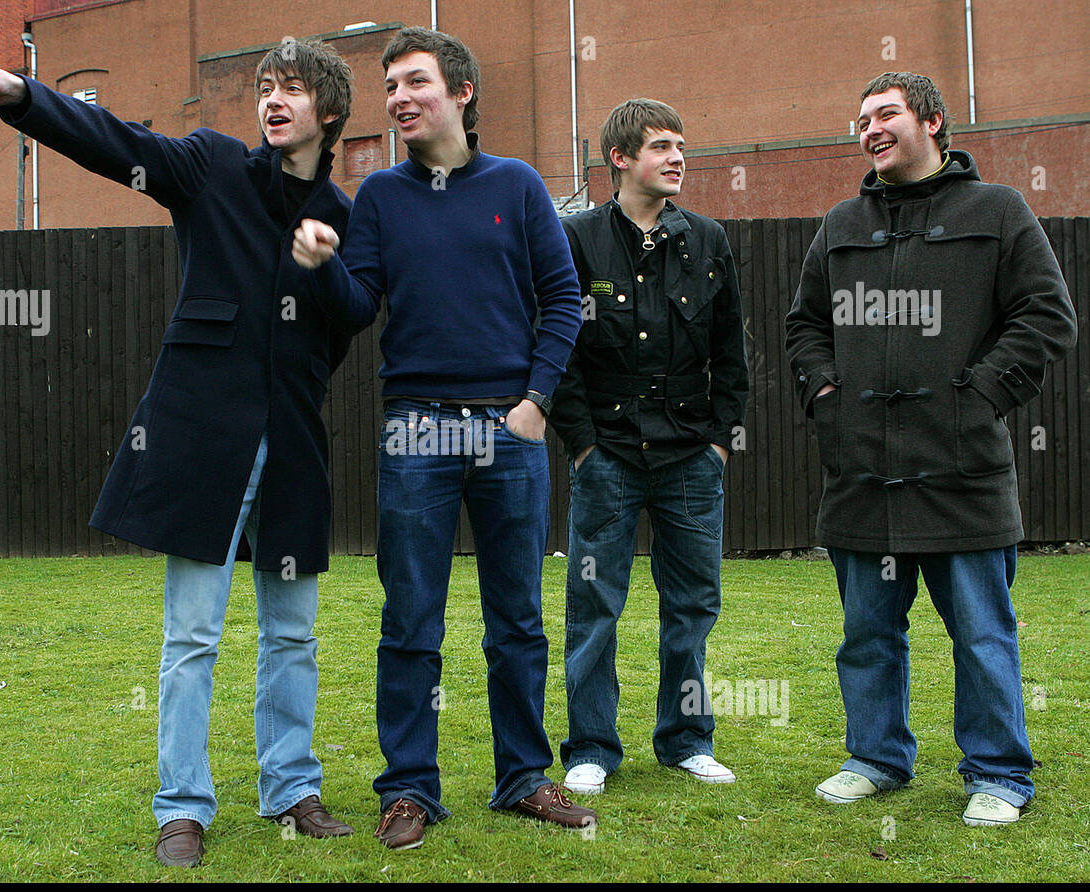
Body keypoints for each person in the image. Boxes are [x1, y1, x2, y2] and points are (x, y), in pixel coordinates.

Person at [0, 39, 359, 865]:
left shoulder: (343, 212)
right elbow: (117, 143)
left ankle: (292, 790)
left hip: (295, 444)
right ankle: (182, 806)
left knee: (292, 636)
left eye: (292, 88)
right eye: (266, 86)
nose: (273, 99)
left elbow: (360, 309)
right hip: (202, 442)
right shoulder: (211, 166)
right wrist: (19, 92)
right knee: (192, 636)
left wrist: (323, 267)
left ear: (328, 111)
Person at [292, 26, 591, 849]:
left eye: (414, 82)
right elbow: (359, 309)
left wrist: (535, 404)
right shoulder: (381, 197)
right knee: (411, 621)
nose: (398, 99)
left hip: (510, 429)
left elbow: (563, 301)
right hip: (414, 430)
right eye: (390, 87)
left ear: (461, 93)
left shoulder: (520, 185)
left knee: (518, 622)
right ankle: (409, 791)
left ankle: (523, 778)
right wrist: (324, 265)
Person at [784, 71, 1077, 825]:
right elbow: (804, 327)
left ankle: (999, 773)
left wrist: (978, 397)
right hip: (861, 473)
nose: (869, 128)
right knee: (867, 633)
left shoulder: (998, 211)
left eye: (885, 114)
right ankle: (876, 757)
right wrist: (826, 398)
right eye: (861, 119)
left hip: (963, 472)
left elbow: (1047, 316)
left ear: (935, 121)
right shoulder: (842, 223)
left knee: (982, 634)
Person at [548, 100, 748, 796]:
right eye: (661, 145)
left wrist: (720, 442)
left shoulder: (710, 241)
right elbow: (559, 350)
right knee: (594, 603)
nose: (678, 157)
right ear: (620, 159)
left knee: (692, 604)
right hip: (606, 456)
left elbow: (732, 352)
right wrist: (580, 446)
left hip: (691, 456)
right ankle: (592, 748)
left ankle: (687, 739)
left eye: (682, 145)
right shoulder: (576, 240)